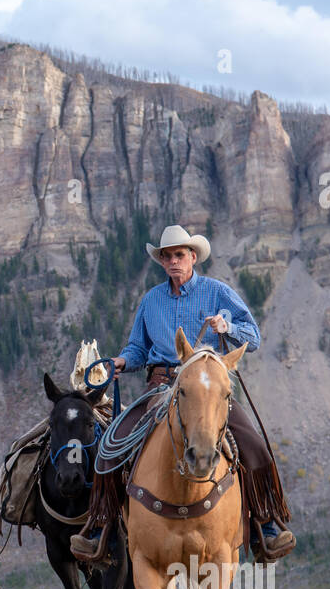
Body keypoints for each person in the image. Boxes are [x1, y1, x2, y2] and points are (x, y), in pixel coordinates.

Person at [71, 224, 294, 562]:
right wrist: (119, 361)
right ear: (161, 262)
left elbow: (254, 335)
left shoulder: (217, 292)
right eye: (167, 256)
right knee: (110, 447)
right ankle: (102, 529)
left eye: (179, 254)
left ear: (193, 257)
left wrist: (226, 327)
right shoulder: (151, 301)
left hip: (207, 386)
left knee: (255, 446)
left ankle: (266, 524)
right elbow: (137, 349)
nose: (174, 260)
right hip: (161, 385)